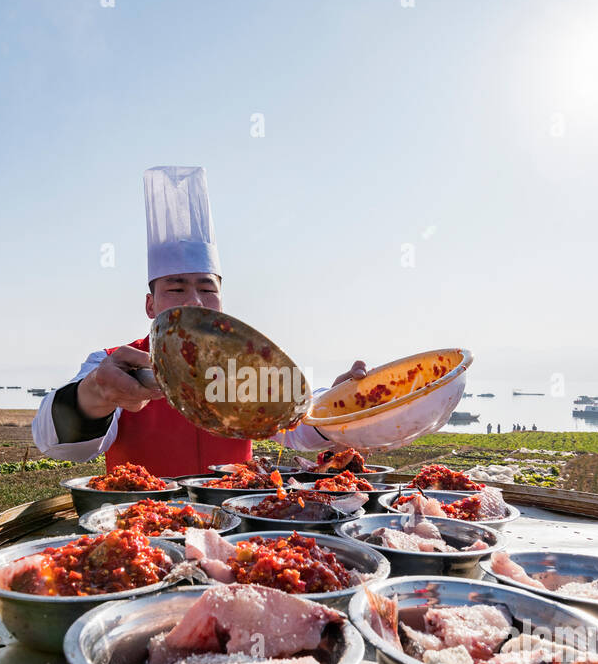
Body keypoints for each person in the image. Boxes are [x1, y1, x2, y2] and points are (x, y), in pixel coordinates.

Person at [32, 166, 364, 476]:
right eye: (175, 288)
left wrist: (336, 405)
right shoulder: (112, 364)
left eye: (207, 288)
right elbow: (56, 443)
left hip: (236, 526)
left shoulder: (244, 367)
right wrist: (95, 393)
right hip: (141, 525)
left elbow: (299, 428)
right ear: (151, 305)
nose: (194, 301)